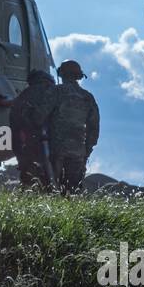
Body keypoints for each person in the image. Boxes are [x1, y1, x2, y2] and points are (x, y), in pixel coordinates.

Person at [0, 70, 57, 189]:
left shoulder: (26, 93)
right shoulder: (52, 91)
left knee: (30, 173)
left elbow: (15, 108)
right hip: (47, 140)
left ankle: (30, 192)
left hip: (26, 142)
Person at [49, 60, 100, 193]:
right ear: (79, 76)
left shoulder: (55, 92)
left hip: (54, 148)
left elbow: (40, 116)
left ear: (61, 74)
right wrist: (87, 149)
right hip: (78, 151)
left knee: (51, 188)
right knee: (73, 190)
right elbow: (94, 127)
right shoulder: (87, 97)